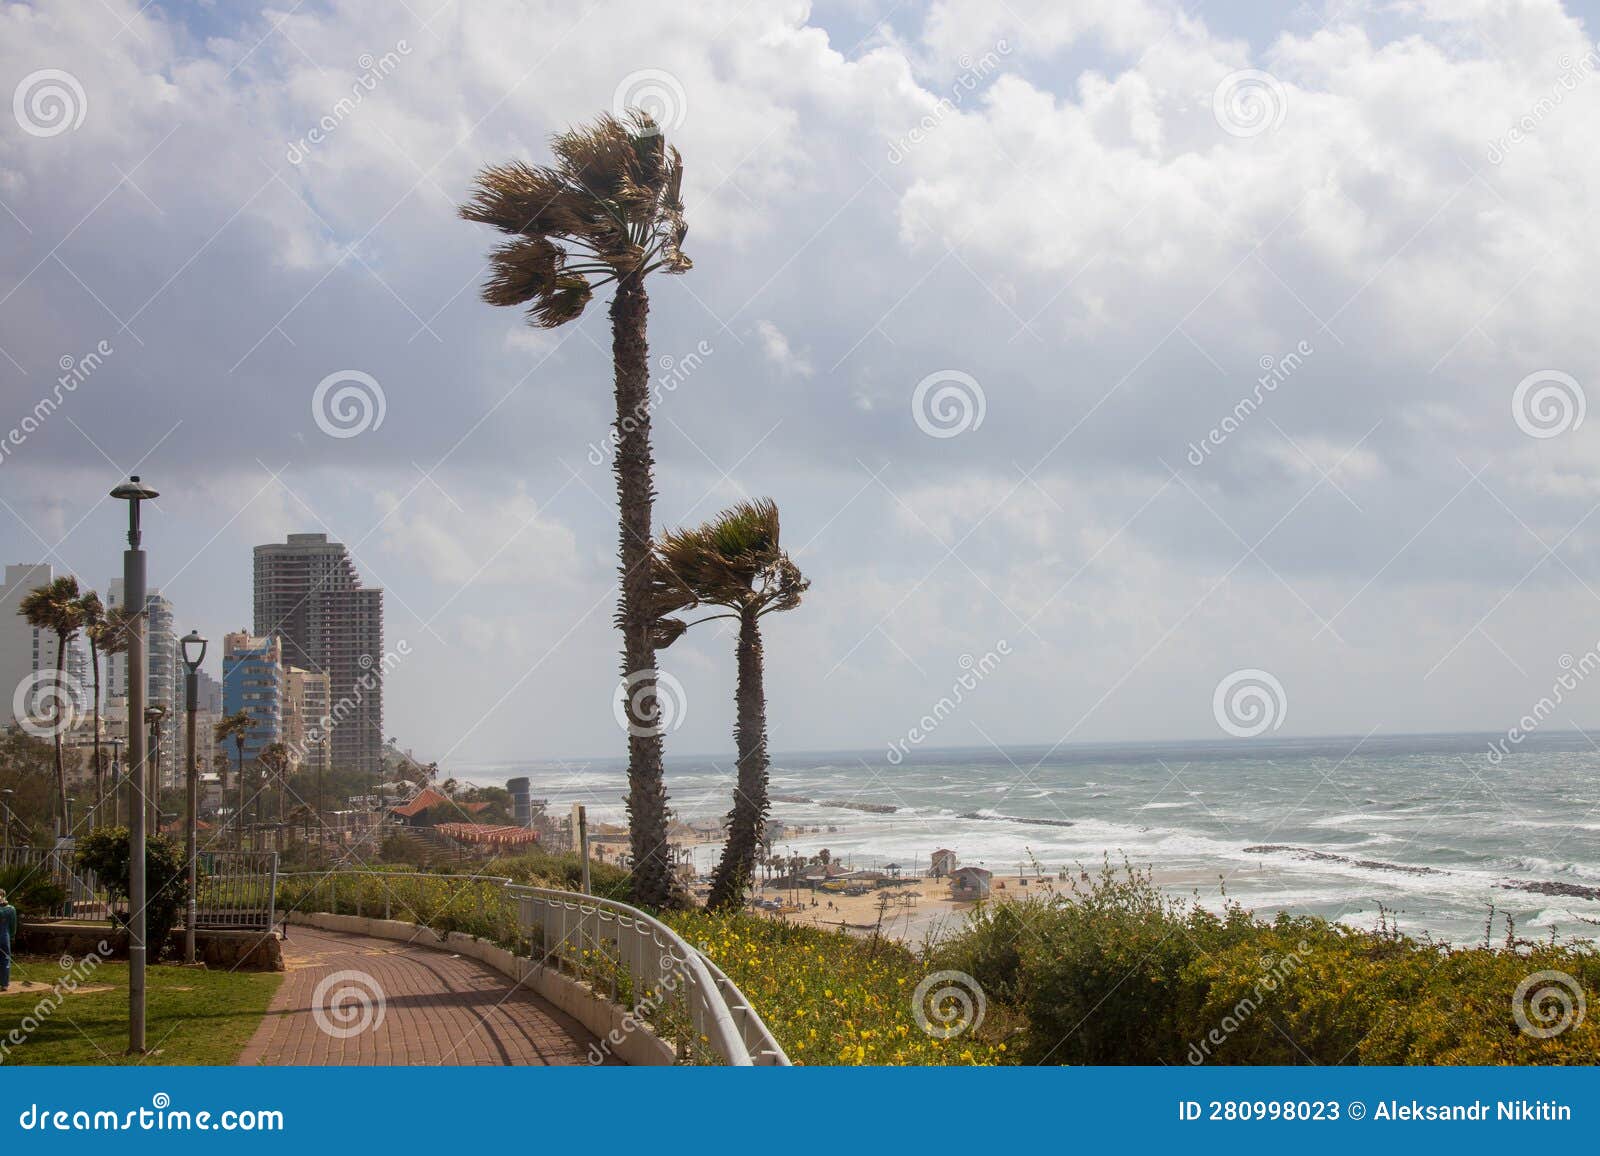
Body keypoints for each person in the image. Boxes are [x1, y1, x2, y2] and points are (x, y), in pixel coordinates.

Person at [0, 889, 16, 992]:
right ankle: (5, 984)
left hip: (5, 936)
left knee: (5, 959)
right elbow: (13, 926)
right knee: (5, 959)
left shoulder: (10, 909)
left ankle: (4, 983)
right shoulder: (11, 909)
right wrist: (12, 936)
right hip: (5, 937)